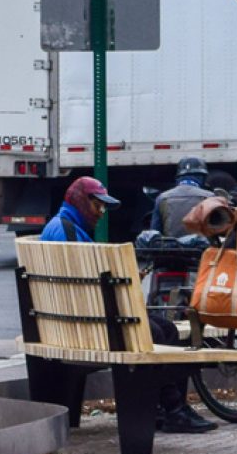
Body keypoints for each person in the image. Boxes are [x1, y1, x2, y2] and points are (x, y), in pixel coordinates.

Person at [38, 176, 215, 435]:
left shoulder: (62, 227)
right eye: (97, 206)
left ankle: (162, 409)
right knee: (157, 332)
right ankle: (173, 410)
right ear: (79, 200)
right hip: (87, 327)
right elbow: (87, 288)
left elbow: (83, 283)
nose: (100, 214)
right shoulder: (67, 233)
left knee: (165, 329)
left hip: (71, 322)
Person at [153, 157, 215, 234]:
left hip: (170, 245)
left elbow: (154, 232)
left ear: (179, 176)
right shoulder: (209, 197)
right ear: (202, 177)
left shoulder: (162, 198)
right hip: (201, 246)